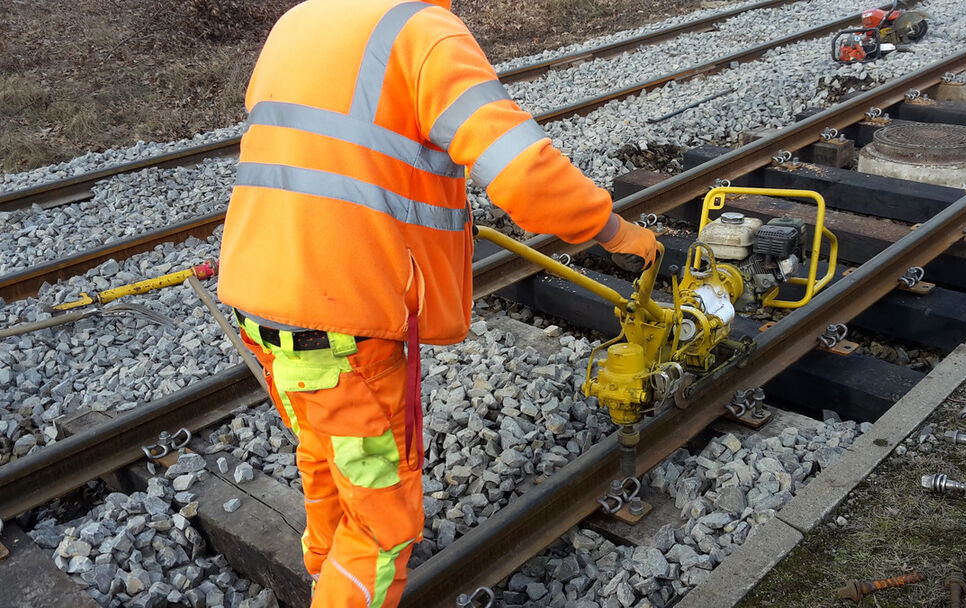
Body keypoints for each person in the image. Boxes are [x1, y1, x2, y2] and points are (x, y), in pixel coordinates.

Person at [216, 1, 660, 606]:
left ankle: (325, 574)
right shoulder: (420, 31)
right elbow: (523, 172)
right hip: (343, 325)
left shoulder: (298, 21)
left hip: (260, 301)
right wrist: (611, 229)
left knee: (325, 457)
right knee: (382, 529)